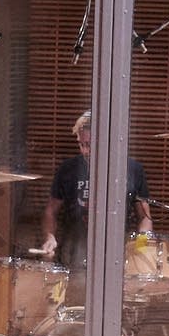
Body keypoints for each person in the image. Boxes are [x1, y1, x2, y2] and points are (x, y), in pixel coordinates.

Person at [42, 109, 152, 271]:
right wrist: (49, 236)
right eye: (81, 144)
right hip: (75, 249)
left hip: (116, 250)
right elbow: (51, 211)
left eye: (90, 145)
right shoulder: (68, 169)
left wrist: (141, 247)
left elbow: (145, 218)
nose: (85, 151)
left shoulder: (132, 169)